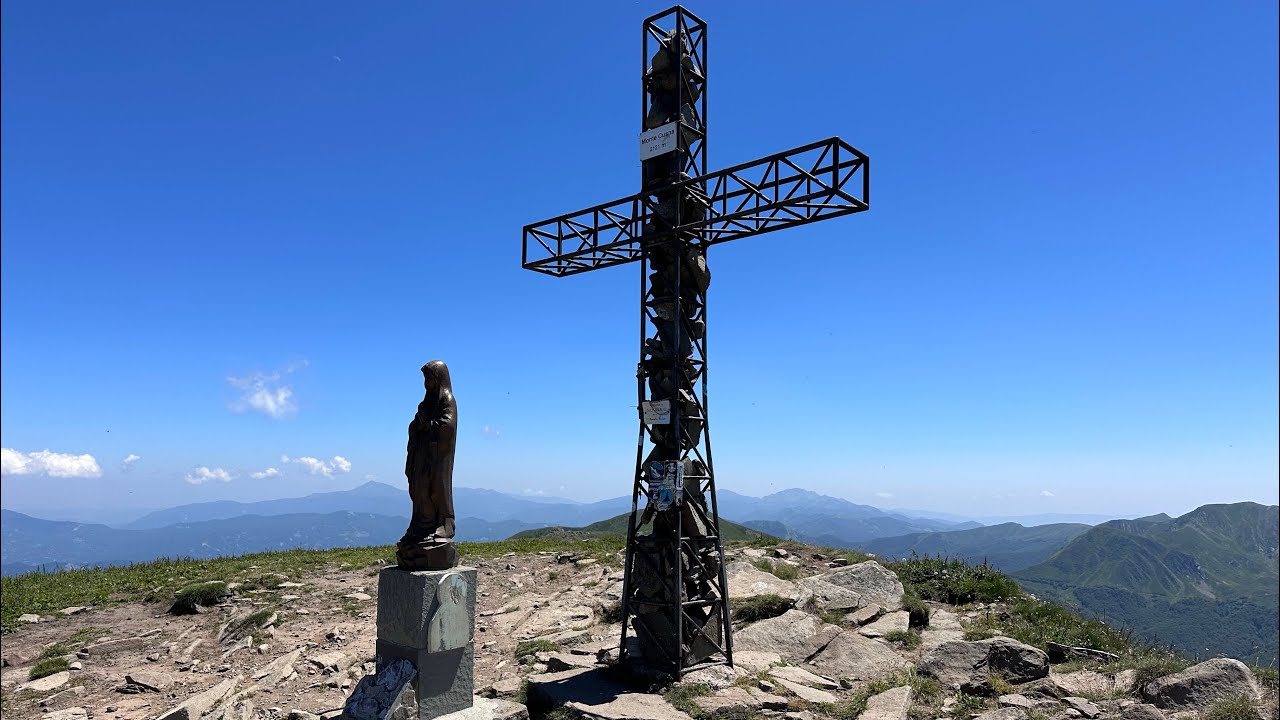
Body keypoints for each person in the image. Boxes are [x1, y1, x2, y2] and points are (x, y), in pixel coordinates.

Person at [400, 360, 457, 545]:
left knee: (437, 488)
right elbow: (415, 424)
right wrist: (417, 425)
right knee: (420, 487)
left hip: (438, 457)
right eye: (425, 378)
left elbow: (447, 427)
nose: (427, 382)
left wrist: (427, 424)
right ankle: (421, 525)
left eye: (430, 377)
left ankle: (444, 523)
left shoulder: (446, 400)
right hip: (422, 455)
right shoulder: (426, 402)